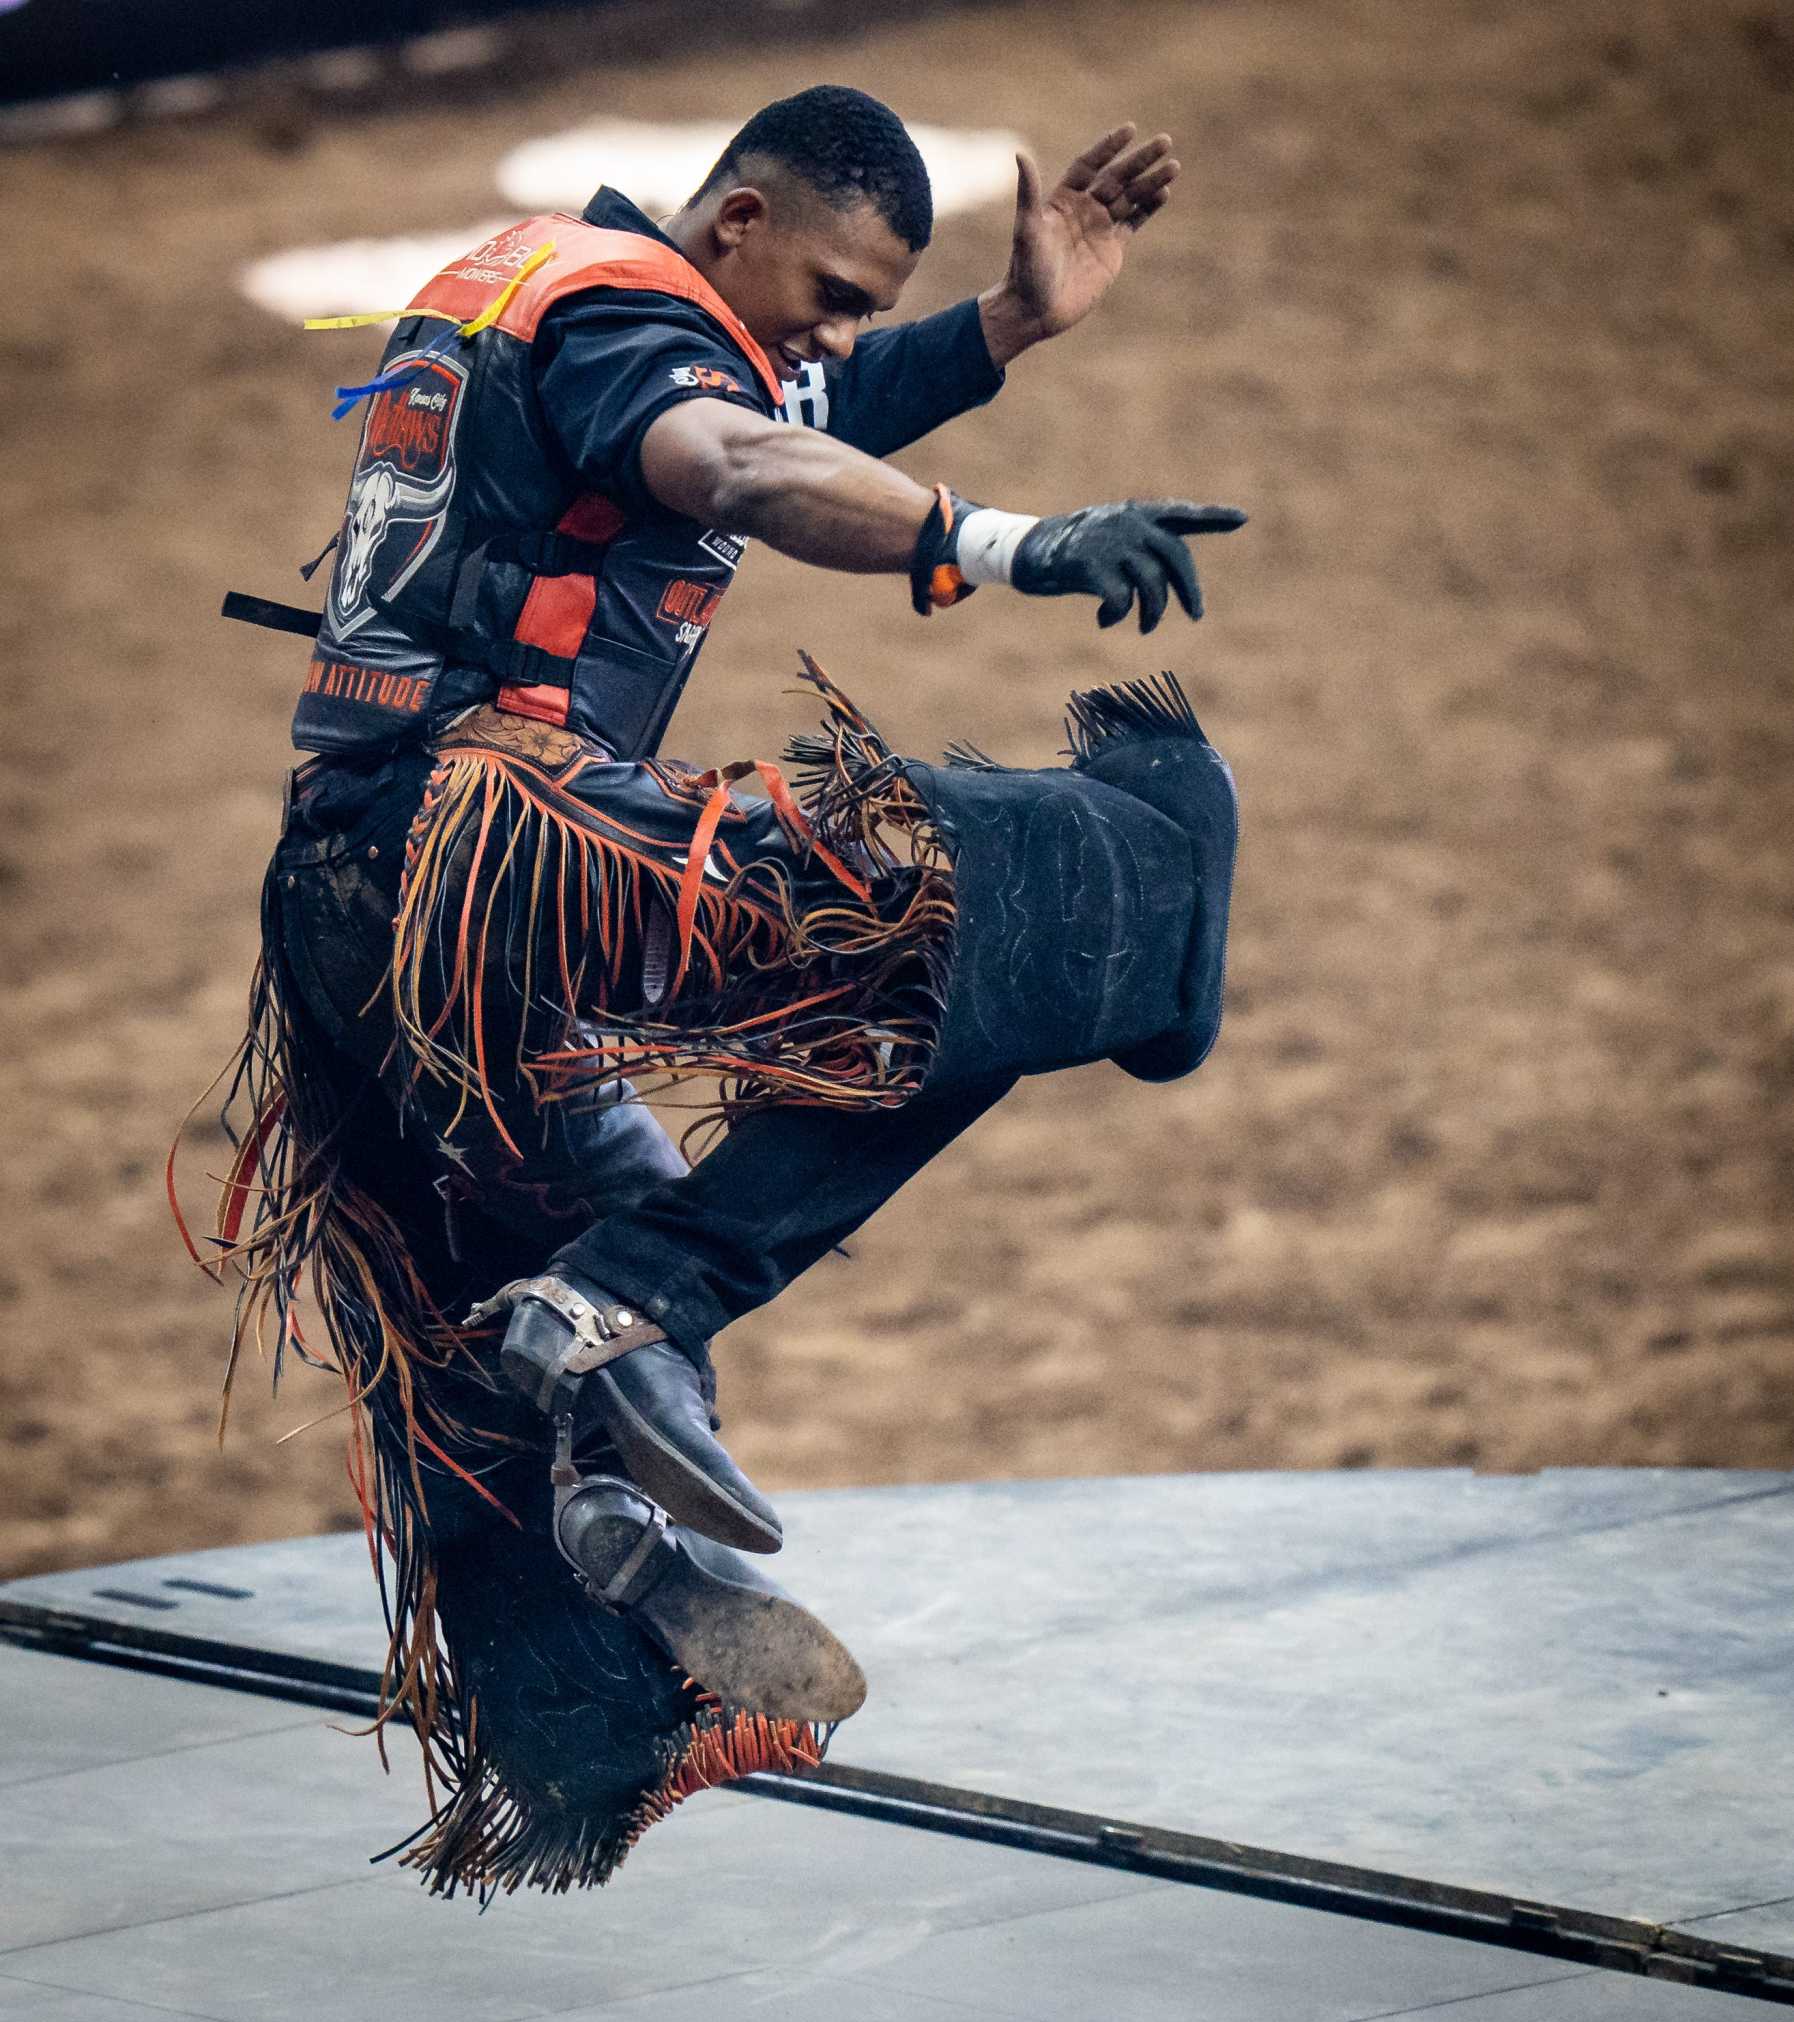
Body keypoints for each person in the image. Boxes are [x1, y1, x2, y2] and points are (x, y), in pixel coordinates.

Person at [192, 85, 1244, 1897]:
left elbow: (796, 406)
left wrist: (1001, 330)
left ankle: (605, 1545)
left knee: (524, 1321)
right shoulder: (634, 319)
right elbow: (744, 464)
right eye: (825, 291)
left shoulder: (539, 288)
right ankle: (629, 1313)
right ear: (736, 218)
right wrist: (996, 541)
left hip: (353, 915)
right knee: (1061, 907)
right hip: (498, 865)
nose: (826, 337)